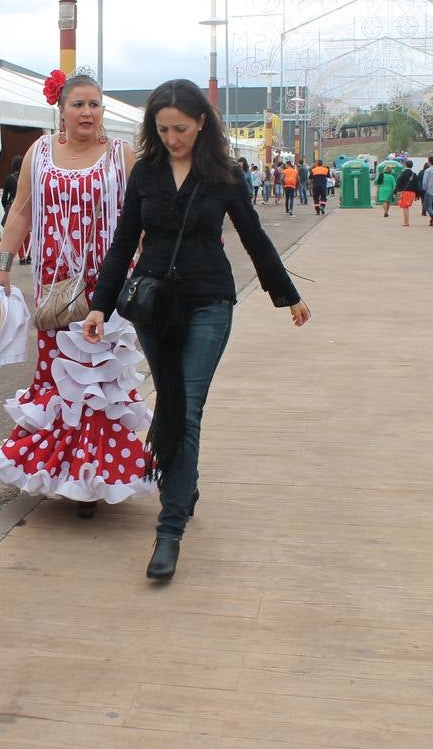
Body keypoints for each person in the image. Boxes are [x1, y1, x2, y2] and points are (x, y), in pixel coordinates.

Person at [83, 79, 310, 580]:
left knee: (185, 409)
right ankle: (185, 484)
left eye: (180, 128)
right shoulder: (145, 173)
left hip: (209, 302)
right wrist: (101, 306)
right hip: (153, 306)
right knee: (172, 404)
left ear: (202, 123)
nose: (172, 138)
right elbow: (123, 244)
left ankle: (170, 528)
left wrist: (286, 293)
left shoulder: (223, 175)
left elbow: (254, 238)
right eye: (162, 129)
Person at [0, 70, 147, 518]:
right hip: (56, 286)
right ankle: (61, 469)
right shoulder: (40, 153)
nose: (88, 112)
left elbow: (142, 219)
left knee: (101, 380)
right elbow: (20, 213)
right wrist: (2, 269)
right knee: (59, 376)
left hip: (107, 285)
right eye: (79, 104)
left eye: (95, 104)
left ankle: (94, 475)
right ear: (61, 110)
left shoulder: (121, 155)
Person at [0, 154, 32, 265]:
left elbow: (4, 198)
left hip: (14, 206)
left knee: (13, 235)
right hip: (26, 206)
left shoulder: (9, 178)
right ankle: (28, 255)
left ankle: (21, 257)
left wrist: (6, 206)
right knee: (26, 233)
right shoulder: (28, 177)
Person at [394, 159, 417, 227]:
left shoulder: (403, 173)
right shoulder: (414, 174)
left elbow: (398, 182)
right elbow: (417, 184)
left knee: (405, 207)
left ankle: (406, 222)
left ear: (405, 165)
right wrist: (417, 194)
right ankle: (406, 221)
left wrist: (395, 191)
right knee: (407, 207)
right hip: (412, 192)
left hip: (405, 192)